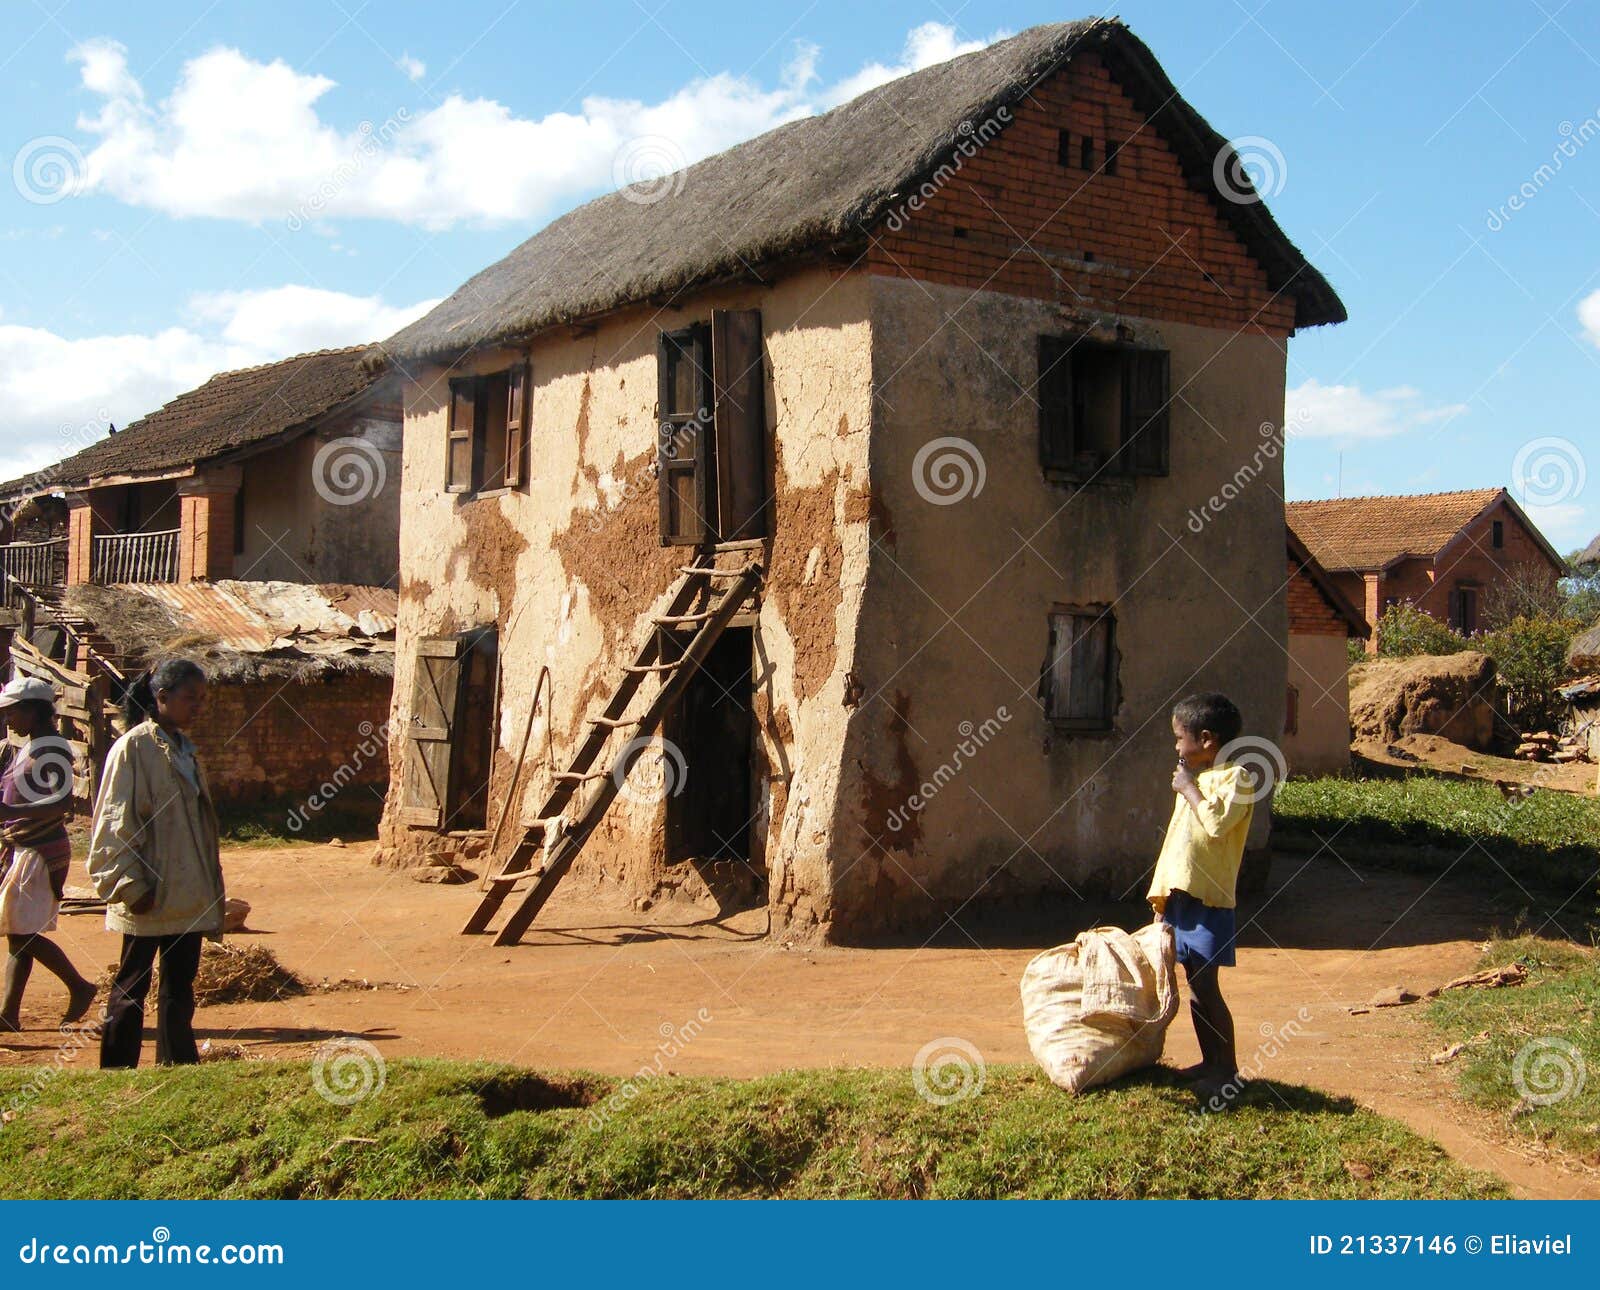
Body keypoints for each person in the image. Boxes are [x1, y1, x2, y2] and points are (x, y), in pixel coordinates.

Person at [87, 659, 225, 1067]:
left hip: (186, 894)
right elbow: (113, 823)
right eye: (190, 699)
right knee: (132, 983)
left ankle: (177, 1065)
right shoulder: (133, 748)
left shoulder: (185, 749)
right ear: (161, 698)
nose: (198, 708)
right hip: (147, 890)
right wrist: (129, 886)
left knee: (179, 986)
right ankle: (116, 1067)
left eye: (202, 700)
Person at [1146, 692, 1254, 1107]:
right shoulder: (1196, 782)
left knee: (1207, 986)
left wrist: (1189, 788)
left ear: (1206, 739)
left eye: (1179, 738)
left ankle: (1226, 1070)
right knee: (1193, 986)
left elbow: (1214, 826)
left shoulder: (1237, 779)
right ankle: (1210, 1063)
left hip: (1210, 902)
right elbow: (1176, 845)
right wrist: (1161, 899)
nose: (1175, 747)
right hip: (1181, 899)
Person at [0, 677, 97, 1030]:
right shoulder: (29, 746)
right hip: (23, 846)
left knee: (22, 932)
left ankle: (79, 986)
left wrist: (10, 813)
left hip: (40, 849)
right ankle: (9, 1014)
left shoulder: (52, 748)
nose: (8, 720)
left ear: (32, 711)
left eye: (12, 712)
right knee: (18, 931)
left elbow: (62, 802)